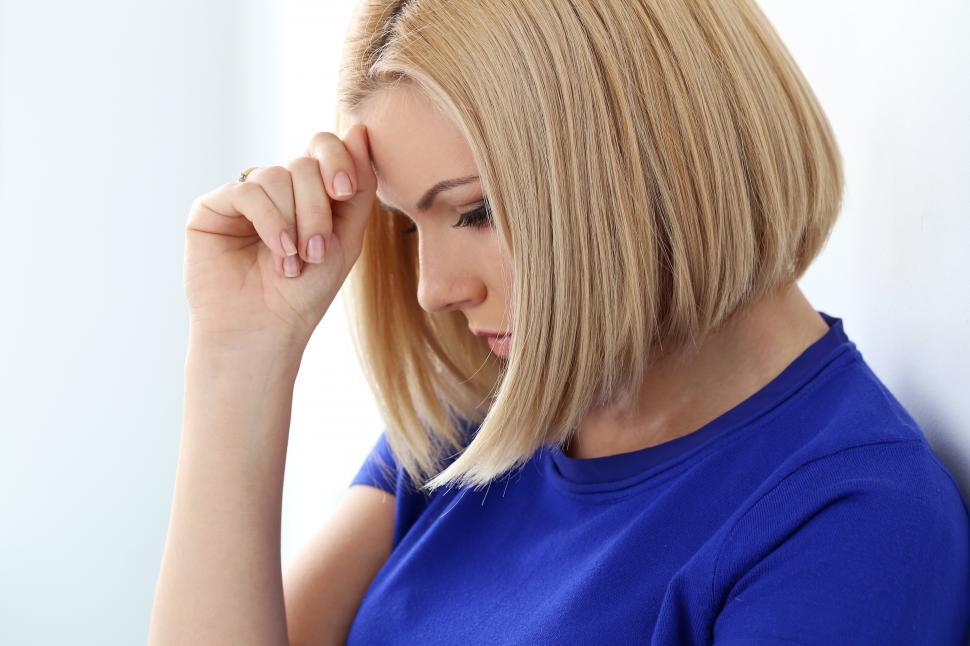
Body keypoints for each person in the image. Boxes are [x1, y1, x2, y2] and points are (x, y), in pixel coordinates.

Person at [149, 0, 970, 644]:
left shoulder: (852, 524)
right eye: (407, 224)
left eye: (478, 210)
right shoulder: (471, 419)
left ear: (653, 148)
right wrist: (238, 354)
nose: (433, 289)